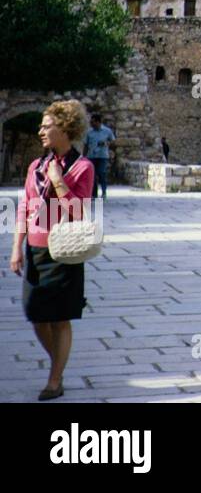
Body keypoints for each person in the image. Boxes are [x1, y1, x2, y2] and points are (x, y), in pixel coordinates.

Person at [6, 100, 96, 401]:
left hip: (64, 251)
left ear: (65, 129)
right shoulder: (36, 166)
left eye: (47, 126)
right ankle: (60, 359)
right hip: (35, 249)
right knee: (35, 314)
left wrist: (59, 181)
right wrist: (16, 247)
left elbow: (78, 212)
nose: (41, 131)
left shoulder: (83, 167)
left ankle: (55, 378)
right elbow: (25, 208)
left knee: (60, 317)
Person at [84, 113, 116, 201]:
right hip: (91, 156)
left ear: (98, 122)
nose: (92, 124)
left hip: (102, 156)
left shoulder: (107, 131)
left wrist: (106, 143)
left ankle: (104, 192)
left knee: (102, 173)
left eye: (93, 122)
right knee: (92, 176)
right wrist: (83, 157)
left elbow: (113, 141)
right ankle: (93, 194)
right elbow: (86, 145)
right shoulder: (89, 132)